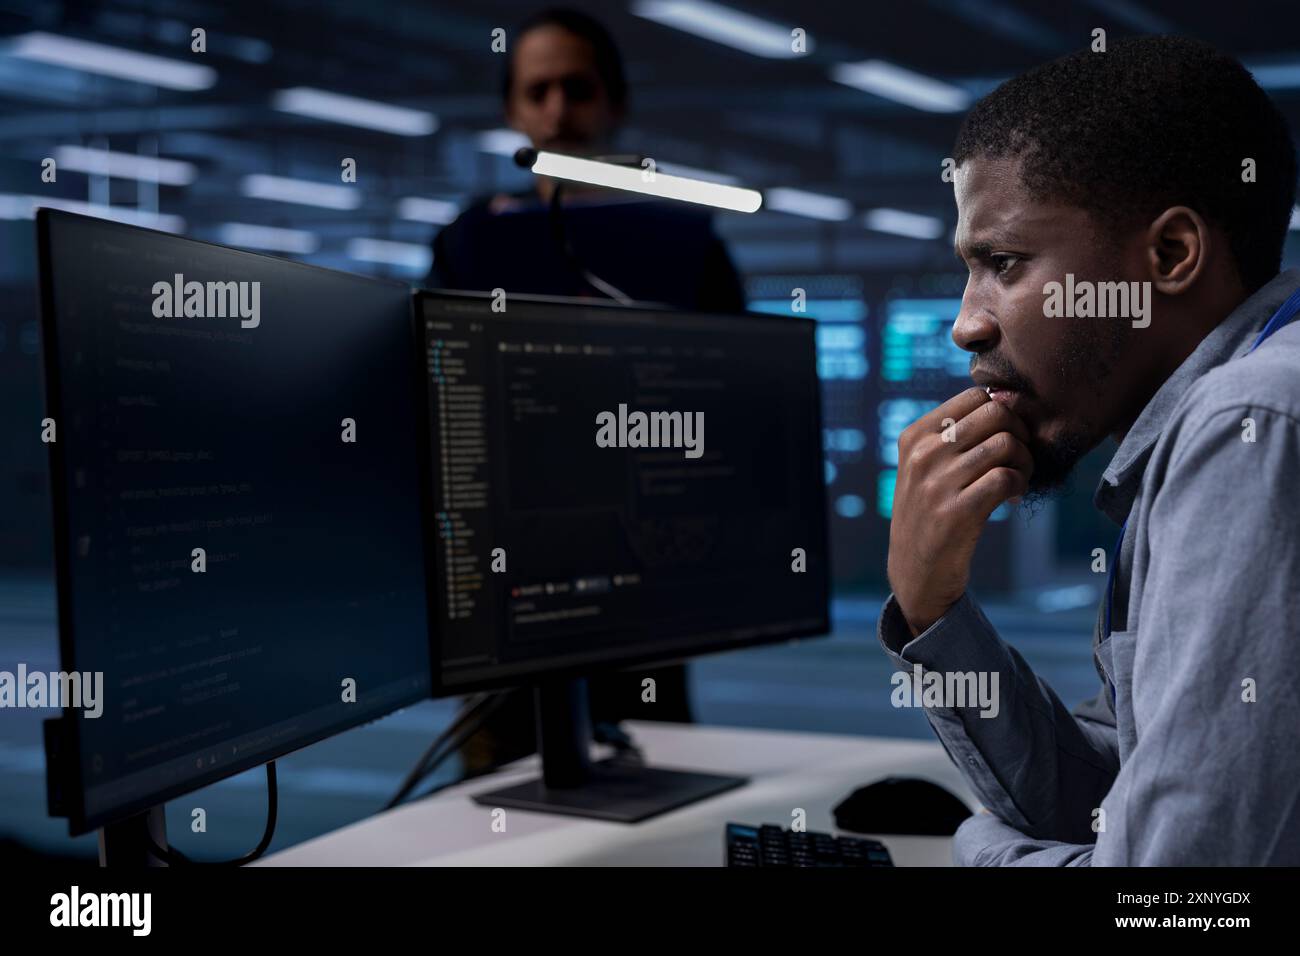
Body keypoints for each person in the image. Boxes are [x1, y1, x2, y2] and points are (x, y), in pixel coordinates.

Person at [880, 35, 1300, 864]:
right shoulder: (1215, 421)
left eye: (1002, 263)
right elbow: (1109, 797)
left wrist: (978, 849)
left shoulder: (1250, 421)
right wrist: (934, 610)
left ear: (1171, 256)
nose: (967, 322)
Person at [429, 8, 747, 773]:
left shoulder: (684, 240)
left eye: (578, 88)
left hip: (646, 586)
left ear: (614, 102)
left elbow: (736, 403)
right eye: (537, 92)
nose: (558, 111)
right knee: (494, 802)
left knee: (653, 787)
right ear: (512, 108)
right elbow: (437, 394)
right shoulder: (470, 239)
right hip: (502, 590)